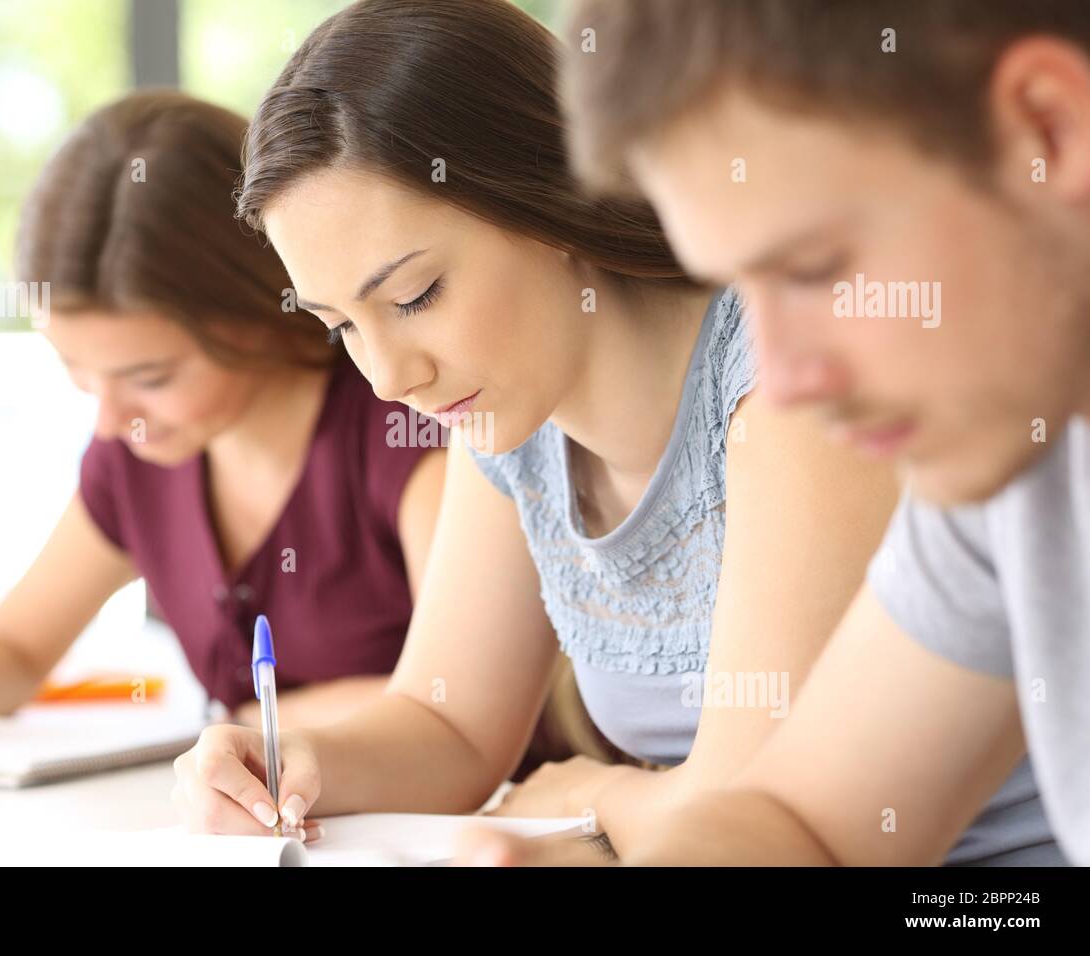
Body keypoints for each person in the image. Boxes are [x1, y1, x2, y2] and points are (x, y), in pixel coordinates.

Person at [460, 0, 1089, 866]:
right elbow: (808, 826)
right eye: (742, 292)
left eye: (813, 269)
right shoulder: (1017, 466)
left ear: (1048, 130)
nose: (786, 380)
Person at [0, 91, 445, 752]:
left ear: (263, 308)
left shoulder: (408, 426)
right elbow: (16, 653)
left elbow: (458, 704)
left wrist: (241, 728)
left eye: (150, 378)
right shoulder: (138, 457)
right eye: (75, 368)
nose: (109, 421)